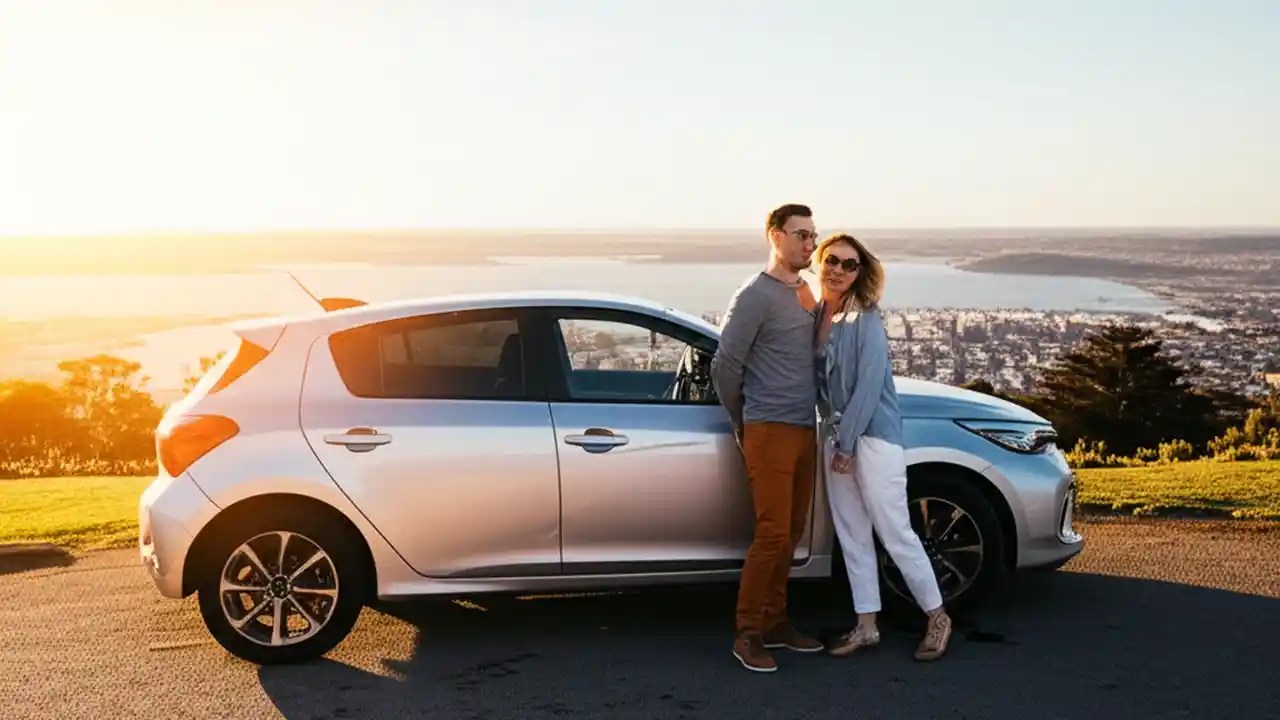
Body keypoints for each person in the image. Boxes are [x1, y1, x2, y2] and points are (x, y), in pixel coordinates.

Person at [812, 233, 952, 662]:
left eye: (848, 265)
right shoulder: (819, 316)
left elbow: (869, 387)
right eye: (831, 260)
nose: (837, 269)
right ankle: (867, 626)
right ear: (820, 263)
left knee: (894, 532)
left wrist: (847, 444)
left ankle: (938, 617)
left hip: (871, 439)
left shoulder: (866, 319)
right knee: (852, 534)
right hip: (836, 437)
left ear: (860, 273)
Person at [710, 203, 825, 673]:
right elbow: (725, 366)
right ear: (776, 236)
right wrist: (745, 422)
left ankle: (776, 621)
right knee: (772, 533)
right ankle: (748, 633)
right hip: (769, 429)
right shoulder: (754, 296)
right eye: (801, 235)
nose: (810, 245)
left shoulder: (805, 293)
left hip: (804, 428)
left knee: (792, 534)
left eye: (813, 236)